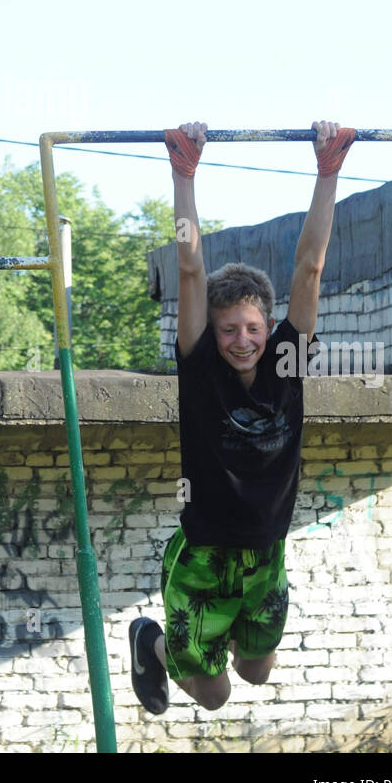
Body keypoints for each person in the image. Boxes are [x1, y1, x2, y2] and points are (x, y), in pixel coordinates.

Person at [129, 119, 355, 713]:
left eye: (252, 328)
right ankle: (149, 642)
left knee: (256, 673)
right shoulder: (201, 369)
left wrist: (327, 173)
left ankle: (220, 637)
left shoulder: (288, 359)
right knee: (215, 696)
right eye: (229, 329)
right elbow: (190, 269)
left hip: (266, 554)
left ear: (269, 327)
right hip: (203, 556)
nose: (241, 340)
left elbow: (309, 266)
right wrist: (183, 177)